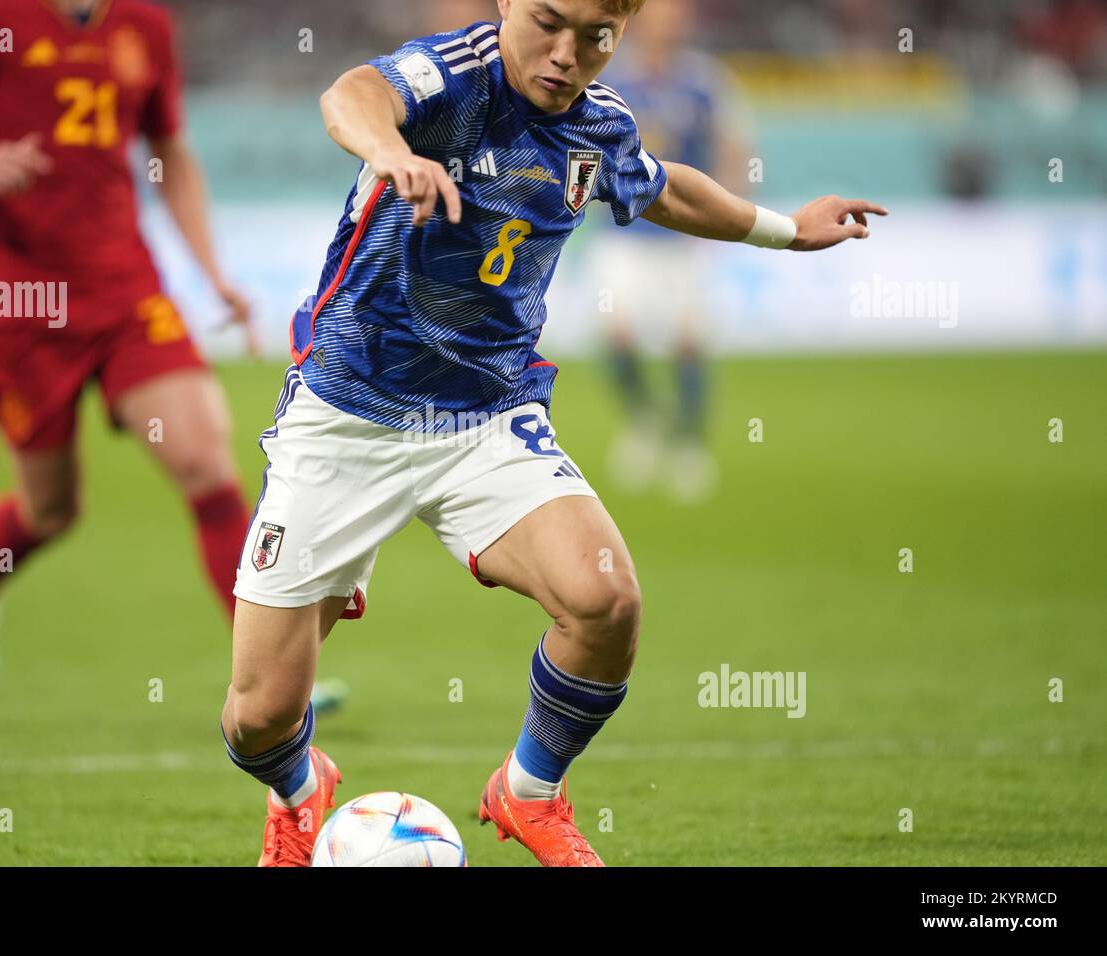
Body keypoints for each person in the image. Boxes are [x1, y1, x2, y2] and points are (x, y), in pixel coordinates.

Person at [221, 0, 886, 867]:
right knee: (258, 715)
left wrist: (787, 229)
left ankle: (528, 792)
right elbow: (352, 93)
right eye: (549, 22)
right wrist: (390, 154)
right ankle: (300, 791)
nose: (568, 55)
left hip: (487, 417)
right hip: (347, 417)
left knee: (607, 602)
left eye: (597, 38)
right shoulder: (452, 77)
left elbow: (665, 186)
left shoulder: (599, 128)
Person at [0, 0, 256, 691]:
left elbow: (168, 151)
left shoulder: (145, 25)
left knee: (206, 462)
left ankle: (264, 675)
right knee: (53, 510)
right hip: (22, 305)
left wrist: (213, 274)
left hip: (125, 291)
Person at [590, 0, 754, 501]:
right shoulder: (613, 82)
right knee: (614, 334)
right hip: (625, 235)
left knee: (688, 341)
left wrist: (729, 207)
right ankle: (645, 421)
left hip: (684, 237)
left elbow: (733, 146)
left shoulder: (704, 82)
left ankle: (688, 445)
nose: (668, 22)